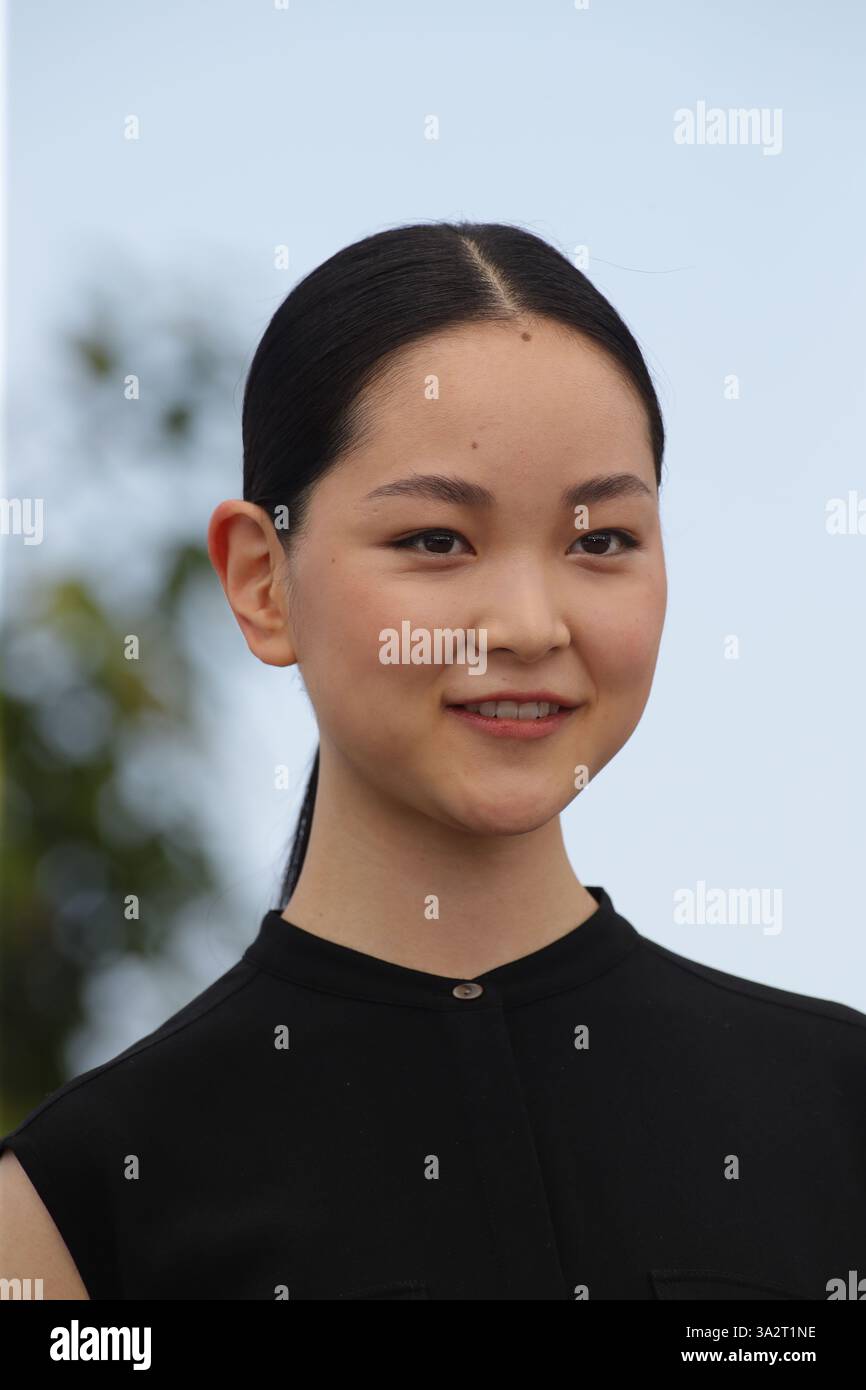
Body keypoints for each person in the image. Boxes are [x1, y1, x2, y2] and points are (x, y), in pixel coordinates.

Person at [2, 221, 864, 1300]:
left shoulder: (834, 1109)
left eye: (599, 540)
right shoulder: (76, 1211)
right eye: (435, 542)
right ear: (263, 582)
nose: (527, 623)